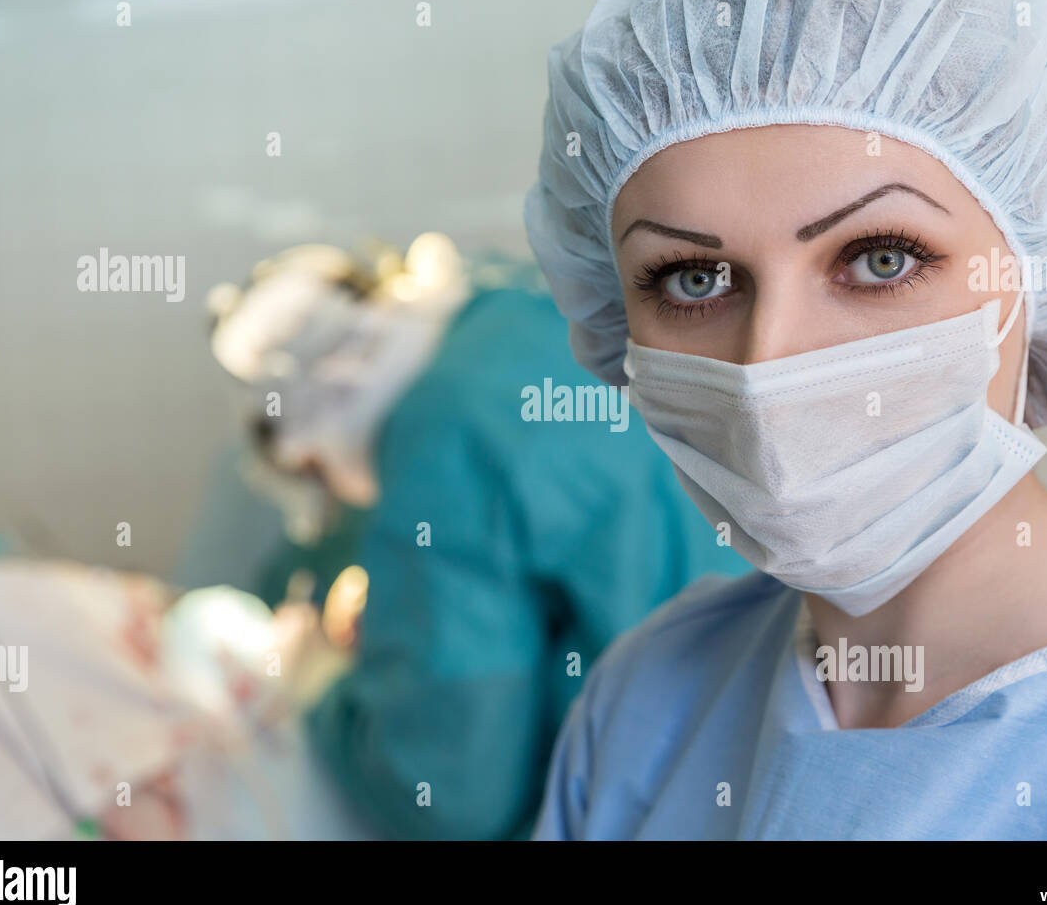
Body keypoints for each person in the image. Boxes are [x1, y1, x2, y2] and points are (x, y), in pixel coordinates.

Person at [522, 0, 1047, 839]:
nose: (766, 360)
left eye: (881, 259)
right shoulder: (649, 698)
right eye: (693, 279)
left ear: (1040, 279)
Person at [182, 235, 751, 839]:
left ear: (311, 453)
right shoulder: (511, 311)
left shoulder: (435, 454)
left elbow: (447, 793)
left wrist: (320, 683)